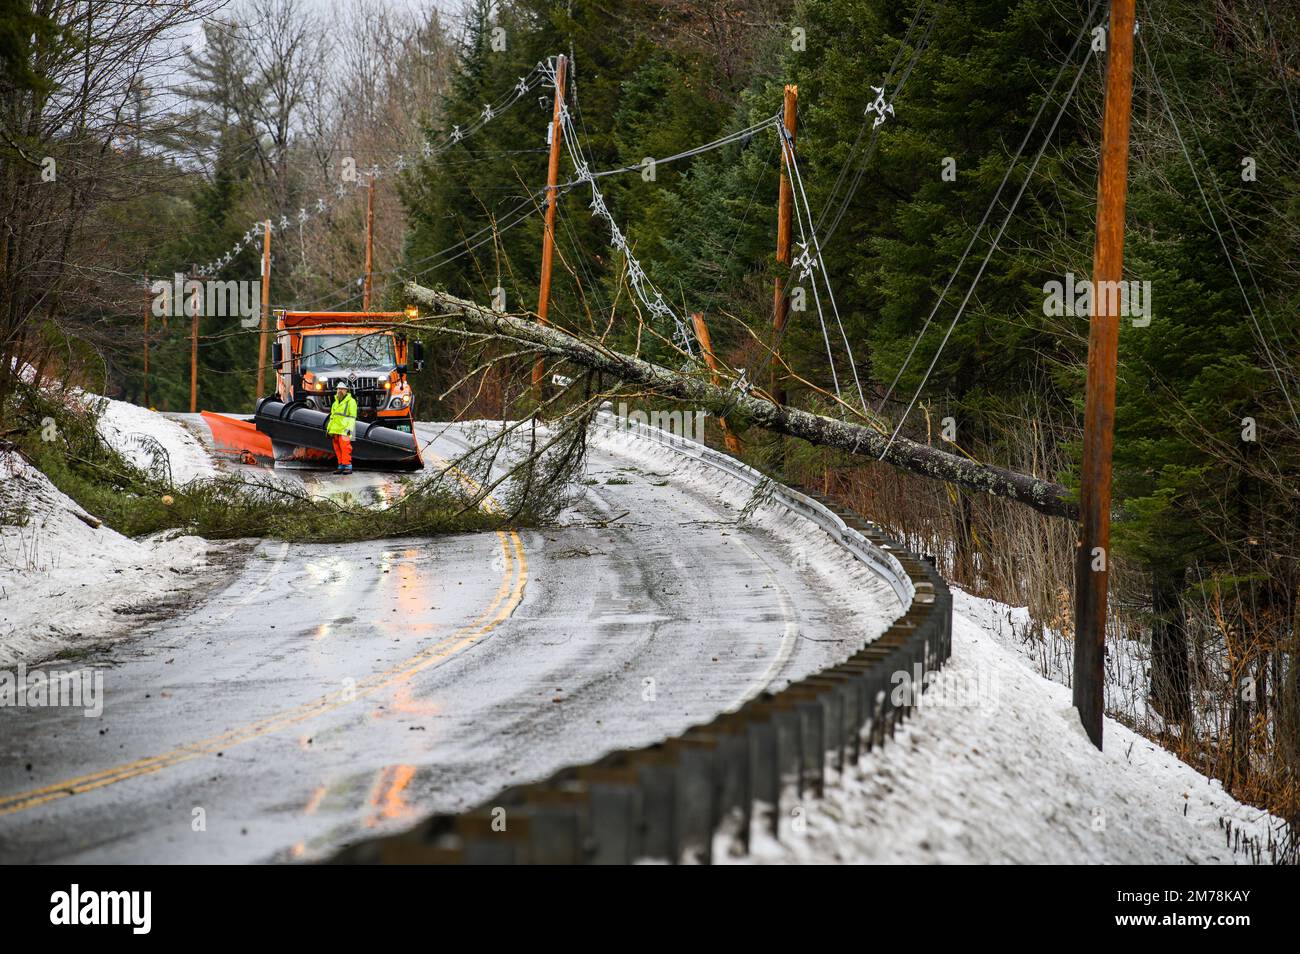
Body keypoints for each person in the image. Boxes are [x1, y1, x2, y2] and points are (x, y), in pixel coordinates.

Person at [326, 381, 358, 474]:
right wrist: (329, 429)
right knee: (337, 449)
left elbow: (352, 417)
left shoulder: (351, 402)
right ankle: (341, 466)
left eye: (342, 389)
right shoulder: (335, 403)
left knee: (345, 448)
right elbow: (332, 417)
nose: (340, 391)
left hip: (345, 429)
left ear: (346, 391)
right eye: (338, 389)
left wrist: (349, 429)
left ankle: (348, 466)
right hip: (335, 429)